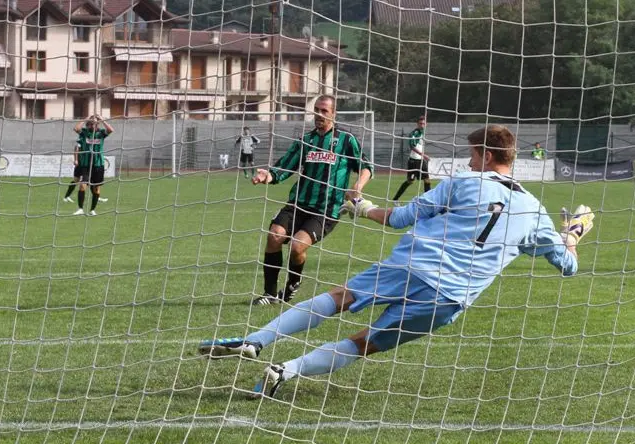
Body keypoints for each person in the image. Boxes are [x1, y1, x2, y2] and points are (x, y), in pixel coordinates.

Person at [198, 125, 595, 398]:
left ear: (488, 155)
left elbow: (400, 218)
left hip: (412, 265)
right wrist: (572, 235)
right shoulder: (535, 212)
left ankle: (256, 340)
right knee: (363, 343)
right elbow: (567, 266)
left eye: (473, 155)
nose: (470, 162)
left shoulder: (464, 182)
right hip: (451, 296)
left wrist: (363, 205)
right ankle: (287, 371)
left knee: (340, 299)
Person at [250, 94, 373, 306]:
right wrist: (267, 176)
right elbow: (283, 168)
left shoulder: (345, 140)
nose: (319, 114)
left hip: (326, 209)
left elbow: (366, 167)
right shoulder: (306, 141)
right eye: (316, 109)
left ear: (333, 114)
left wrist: (357, 186)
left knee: (297, 246)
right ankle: (269, 294)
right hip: (298, 203)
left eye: (324, 110)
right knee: (274, 236)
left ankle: (292, 283)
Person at [72, 114, 113, 216]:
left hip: (98, 165)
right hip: (86, 165)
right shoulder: (84, 133)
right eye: (90, 124)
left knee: (96, 189)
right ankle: (80, 208)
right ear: (88, 125)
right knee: (82, 186)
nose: (92, 125)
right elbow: (76, 128)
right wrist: (86, 118)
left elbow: (111, 130)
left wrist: (102, 119)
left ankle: (92, 210)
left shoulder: (101, 133)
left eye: (94, 123)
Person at [392, 115, 430, 202]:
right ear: (417, 124)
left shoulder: (422, 133)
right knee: (410, 181)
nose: (422, 125)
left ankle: (428, 200)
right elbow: (412, 146)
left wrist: (423, 157)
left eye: (423, 124)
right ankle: (395, 199)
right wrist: (423, 155)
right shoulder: (415, 133)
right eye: (420, 123)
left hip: (421, 161)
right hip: (414, 161)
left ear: (426, 124)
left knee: (427, 180)